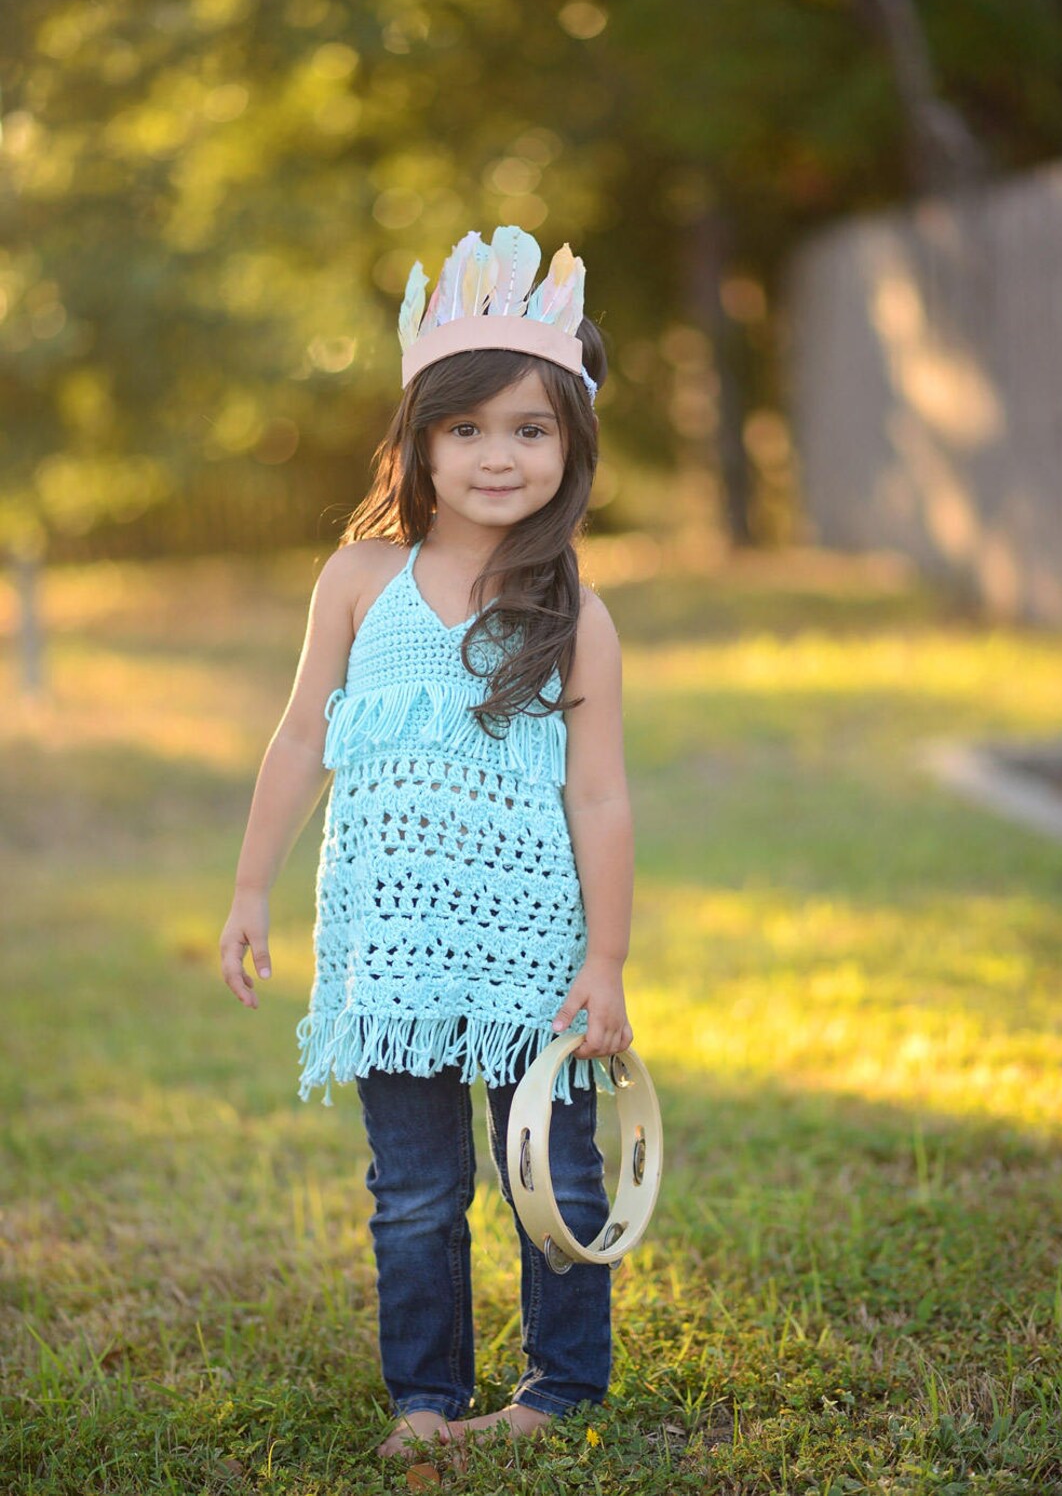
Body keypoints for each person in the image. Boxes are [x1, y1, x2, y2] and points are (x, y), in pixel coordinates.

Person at [219, 226, 634, 1466]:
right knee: (412, 1191)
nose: (498, 455)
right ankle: (427, 1397)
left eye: (530, 429)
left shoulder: (576, 614)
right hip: (392, 951)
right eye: (466, 428)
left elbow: (600, 797)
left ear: (571, 446)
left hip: (531, 953)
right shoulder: (360, 580)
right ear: (417, 445)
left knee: (553, 1176)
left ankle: (562, 1388)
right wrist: (250, 888)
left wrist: (606, 962)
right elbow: (301, 738)